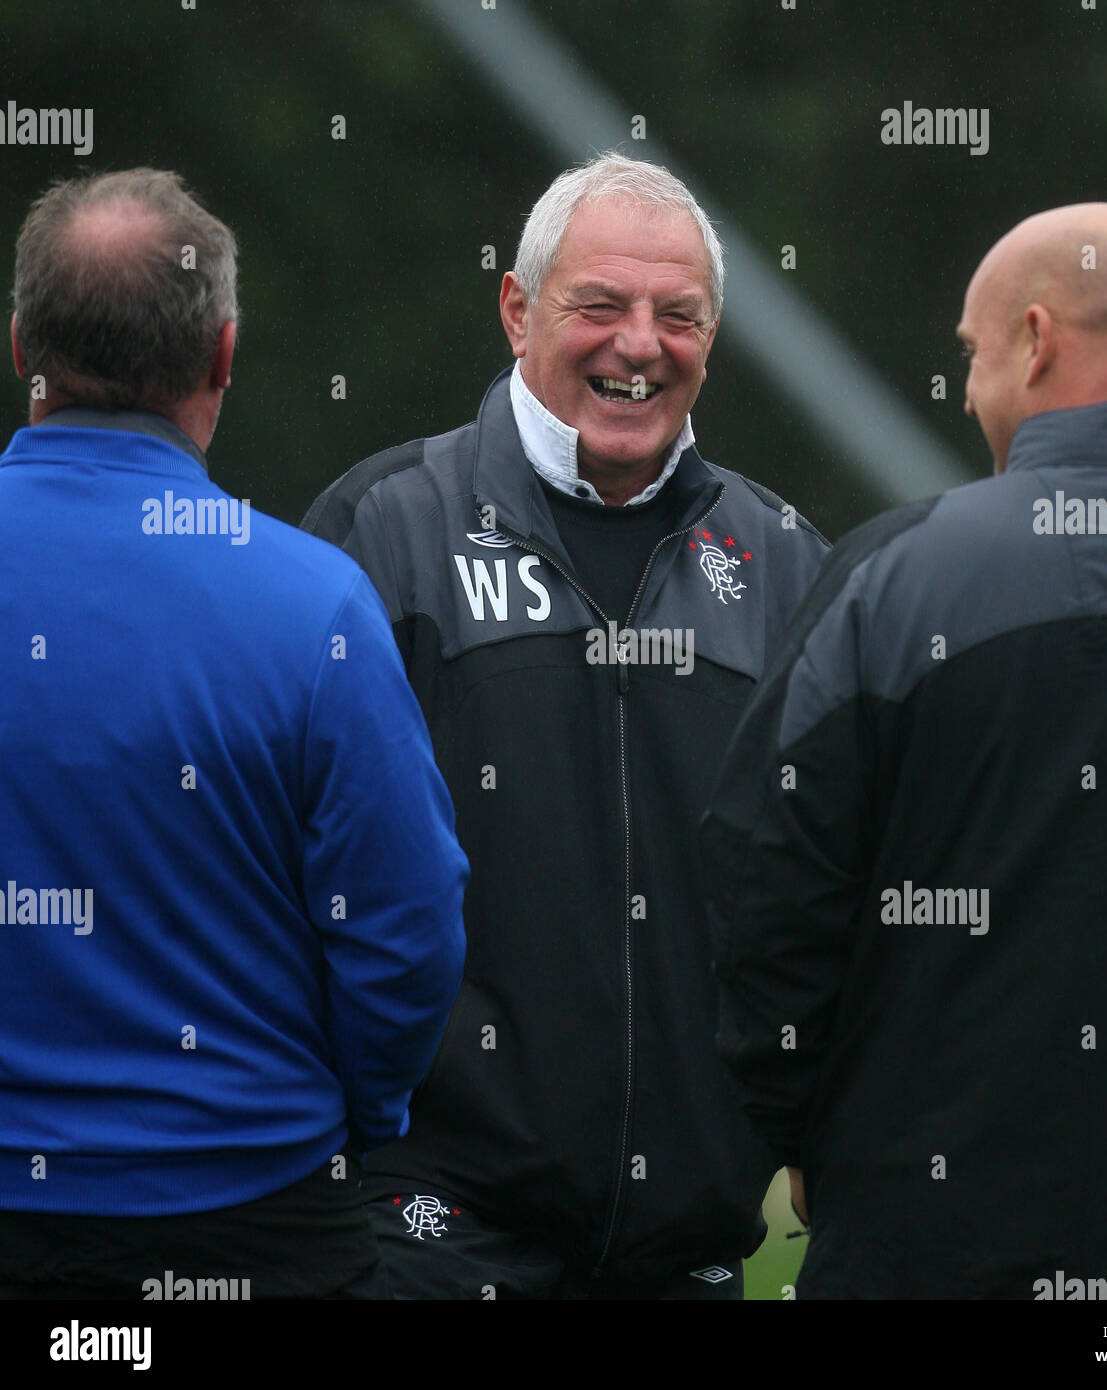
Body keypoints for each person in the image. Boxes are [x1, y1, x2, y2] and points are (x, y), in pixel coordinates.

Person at [700, 203, 1107, 1299]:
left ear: (1032, 337)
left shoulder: (890, 578)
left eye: (968, 355)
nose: (965, 391)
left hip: (914, 1246)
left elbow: (760, 883)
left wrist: (803, 1129)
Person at [303, 153, 830, 1299]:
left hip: (686, 1250)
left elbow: (826, 899)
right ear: (516, 309)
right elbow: (286, 876)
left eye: (677, 316)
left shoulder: (792, 566)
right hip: (430, 1230)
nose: (638, 344)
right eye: (600, 305)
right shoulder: (382, 531)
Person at [0, 169, 468, 1300]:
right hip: (249, 1221)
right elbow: (406, 933)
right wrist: (339, 1111)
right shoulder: (312, 604)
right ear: (221, 353)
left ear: (22, 346)